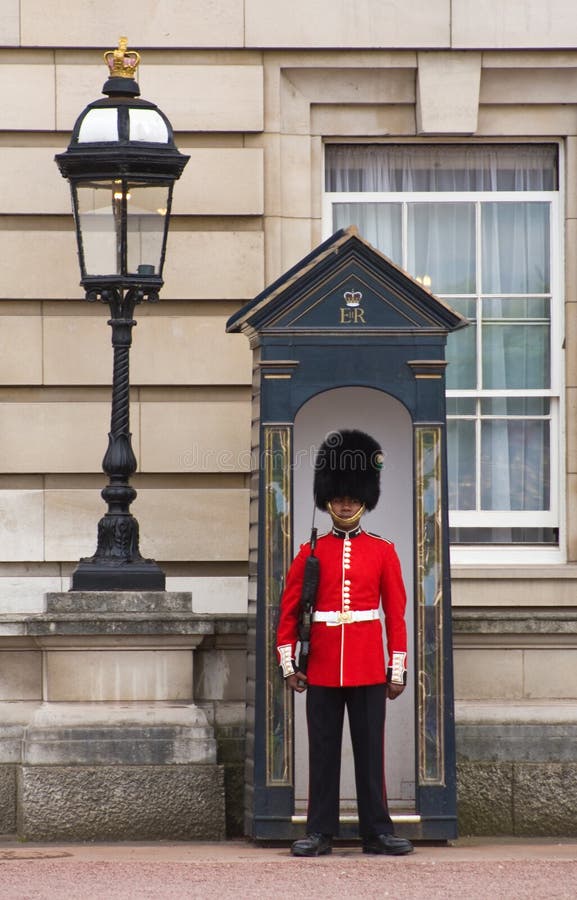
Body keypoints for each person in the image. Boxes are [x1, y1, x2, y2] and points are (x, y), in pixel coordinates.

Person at [276, 429, 414, 857]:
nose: (346, 503)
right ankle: (319, 831)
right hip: (320, 667)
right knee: (323, 752)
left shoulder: (383, 551)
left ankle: (377, 830)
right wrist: (289, 664)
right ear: (328, 499)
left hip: (370, 666)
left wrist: (396, 668)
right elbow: (289, 611)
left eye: (353, 497)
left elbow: (396, 615)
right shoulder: (309, 552)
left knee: (370, 753)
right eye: (338, 497)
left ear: (364, 499)